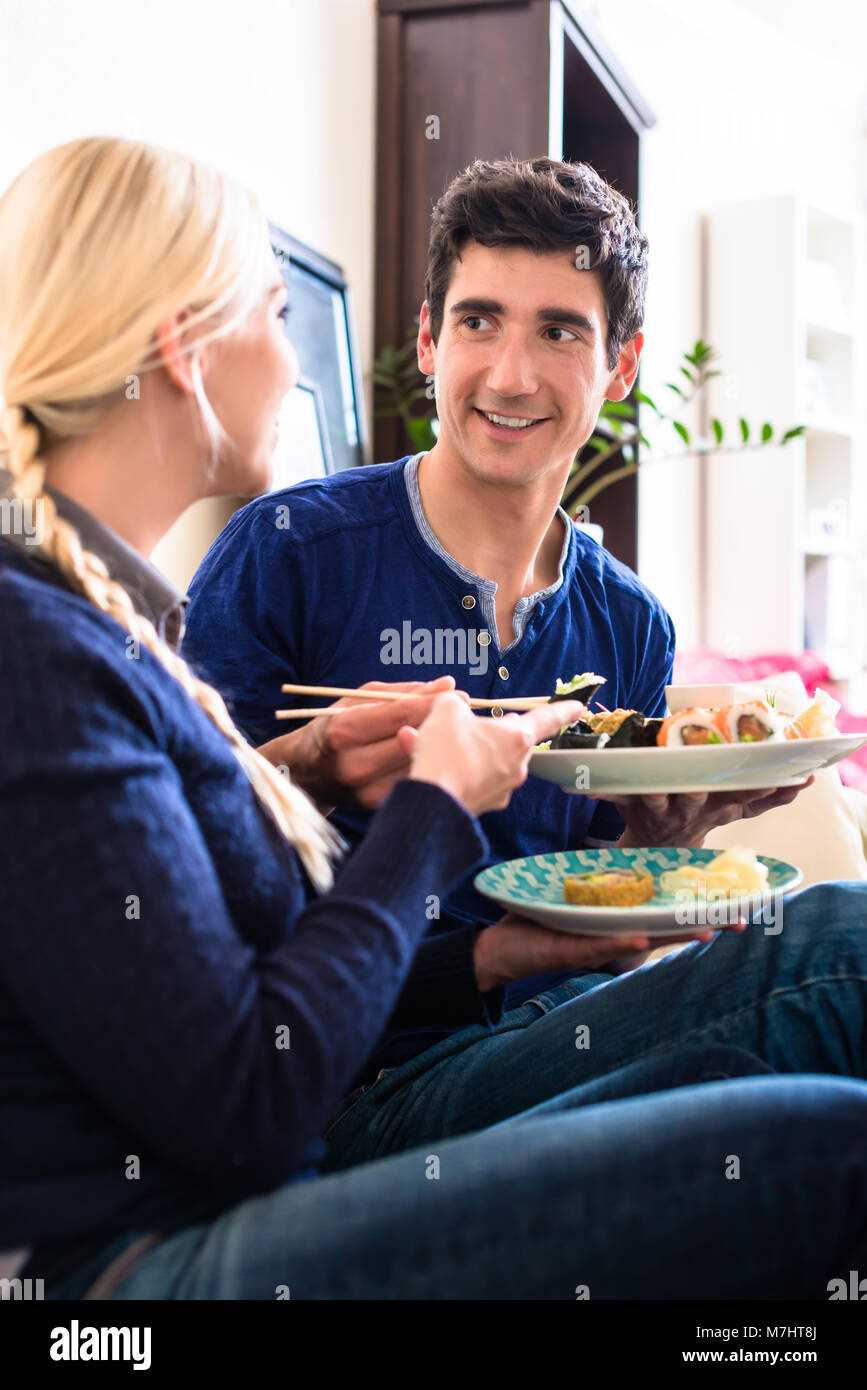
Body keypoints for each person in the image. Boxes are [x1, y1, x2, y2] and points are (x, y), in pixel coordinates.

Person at [2, 136, 866, 1302]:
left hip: (482, 1030)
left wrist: (664, 844)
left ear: (620, 365)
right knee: (833, 1041)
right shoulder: (121, 619)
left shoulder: (99, 622)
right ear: (185, 353)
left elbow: (198, 952)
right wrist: (428, 805)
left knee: (773, 1027)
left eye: (559, 330)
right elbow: (242, 1051)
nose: (510, 374)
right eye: (271, 307)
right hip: (298, 1137)